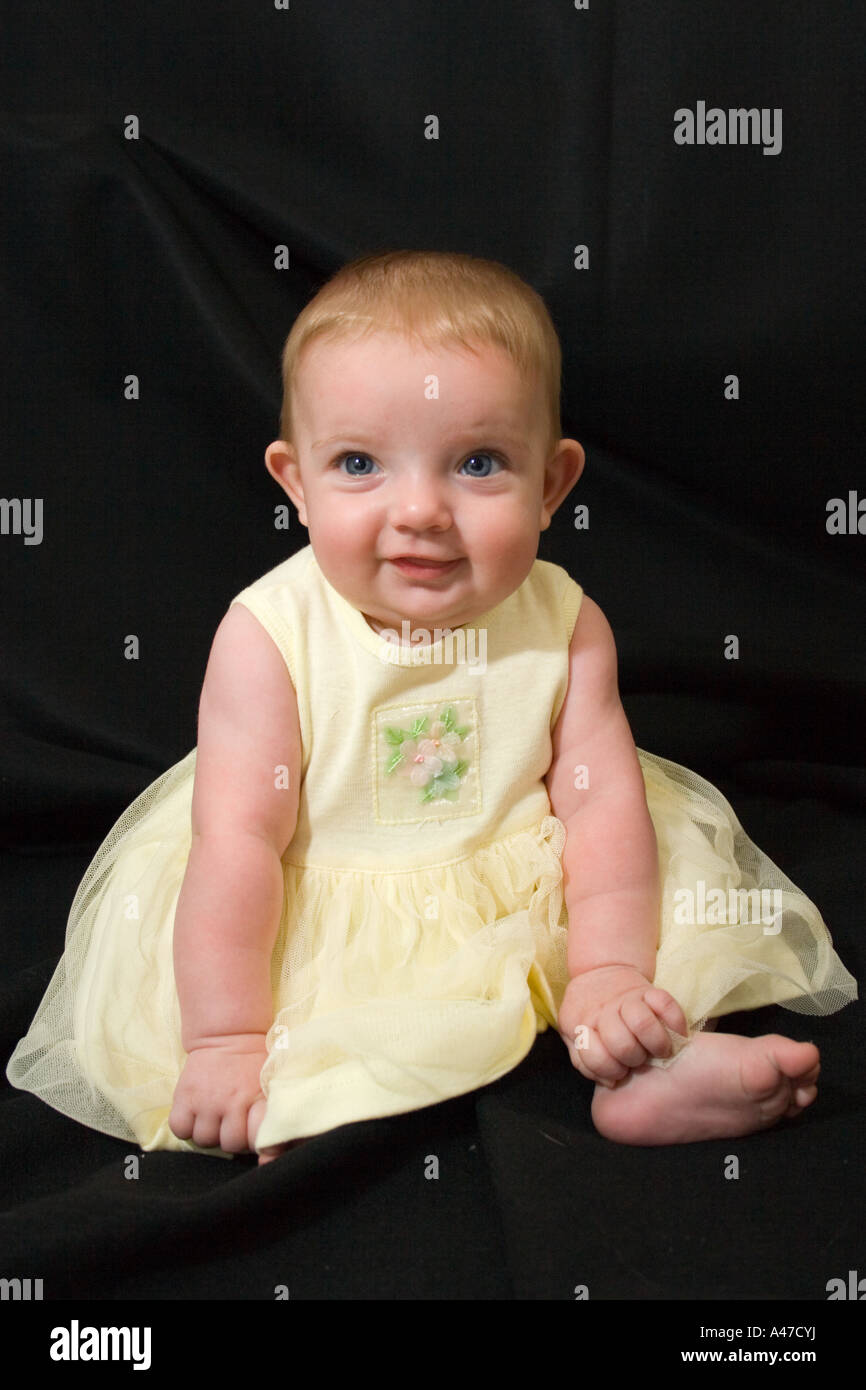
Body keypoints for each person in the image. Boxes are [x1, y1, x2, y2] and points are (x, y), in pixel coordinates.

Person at [7, 250, 857, 1163]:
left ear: (552, 485)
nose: (420, 511)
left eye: (478, 464)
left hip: (528, 874)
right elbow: (238, 845)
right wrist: (226, 1039)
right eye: (361, 464)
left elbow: (601, 803)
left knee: (660, 929)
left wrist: (609, 971)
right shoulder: (269, 636)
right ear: (296, 483)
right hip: (321, 897)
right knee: (299, 1027)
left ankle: (648, 1069)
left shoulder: (566, 622)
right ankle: (291, 1092)